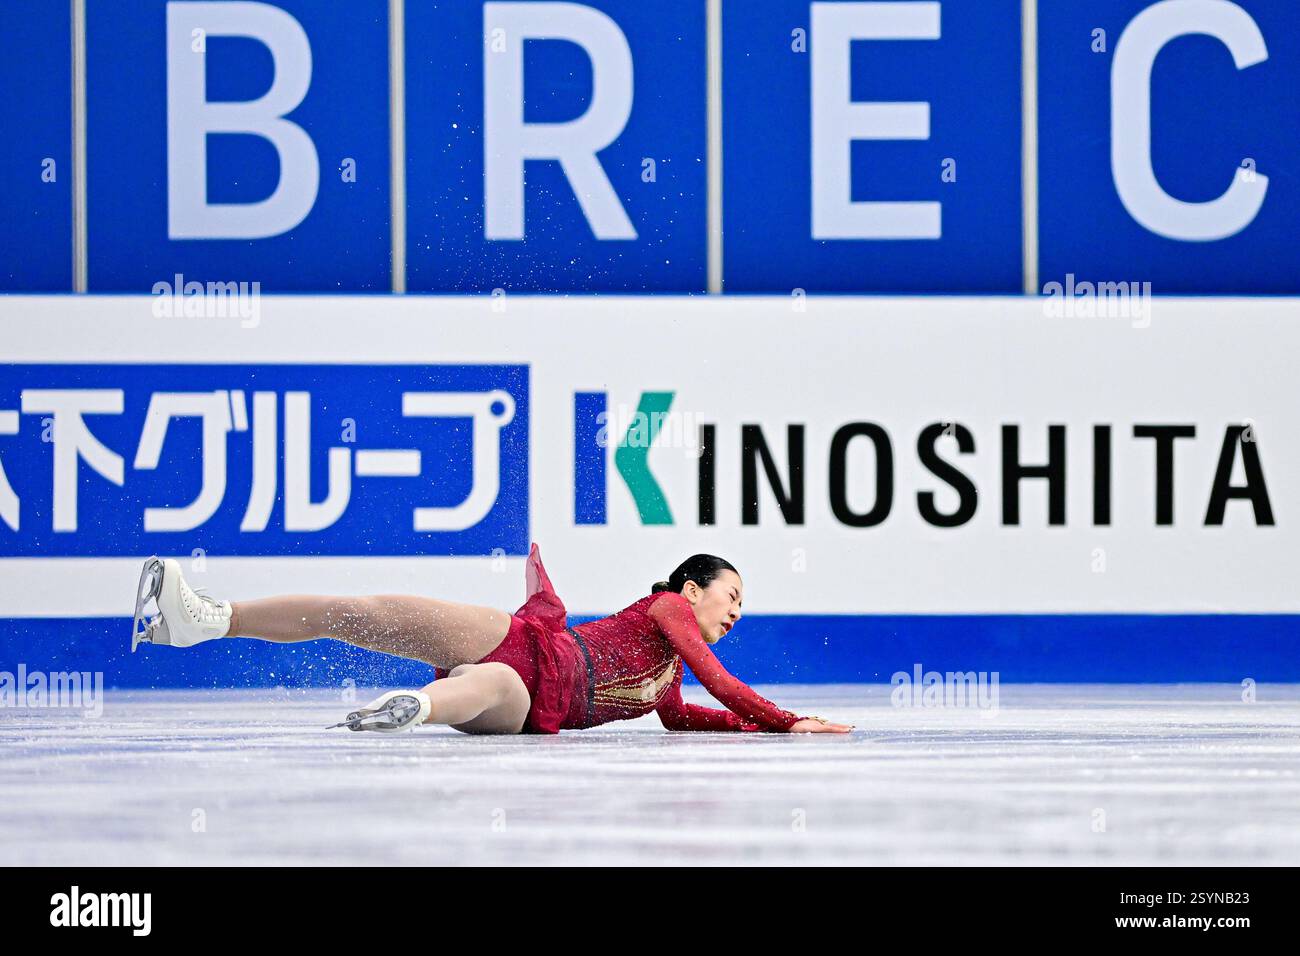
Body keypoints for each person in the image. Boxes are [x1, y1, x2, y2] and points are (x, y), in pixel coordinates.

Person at [131, 542, 854, 736]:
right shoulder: (668, 608)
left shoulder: (665, 681)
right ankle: (206, 618)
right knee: (365, 610)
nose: (735, 613)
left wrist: (752, 731)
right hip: (531, 644)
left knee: (489, 692)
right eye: (732, 597)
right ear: (692, 589)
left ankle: (417, 704)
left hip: (537, 698)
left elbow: (693, 713)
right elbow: (722, 683)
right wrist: (789, 723)